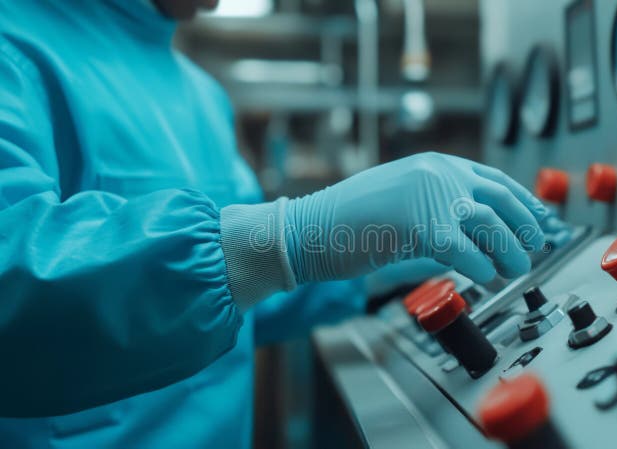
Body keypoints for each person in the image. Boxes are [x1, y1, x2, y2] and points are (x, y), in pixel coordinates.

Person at [0, 0, 567, 447]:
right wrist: (287, 237)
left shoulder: (200, 95)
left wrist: (369, 264)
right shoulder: (15, 44)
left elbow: (237, 301)